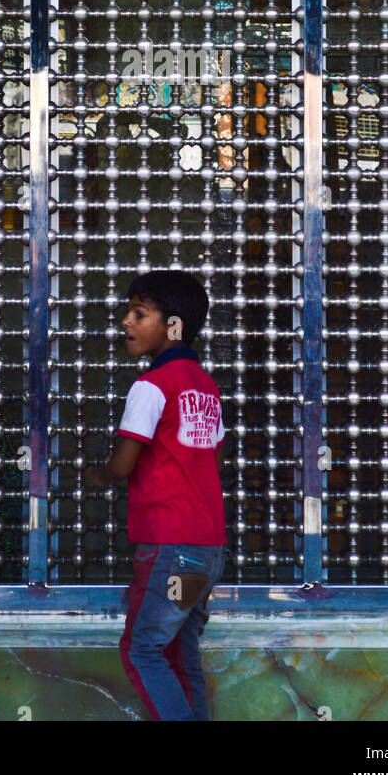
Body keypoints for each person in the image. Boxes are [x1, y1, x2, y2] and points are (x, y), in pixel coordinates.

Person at [85, 269, 227, 722]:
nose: (126, 322)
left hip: (171, 549)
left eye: (139, 313)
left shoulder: (150, 387)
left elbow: (125, 463)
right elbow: (214, 460)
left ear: (174, 327)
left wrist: (100, 475)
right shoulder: (206, 387)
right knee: (182, 655)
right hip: (205, 551)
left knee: (143, 651)